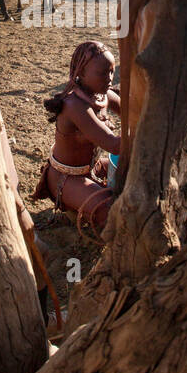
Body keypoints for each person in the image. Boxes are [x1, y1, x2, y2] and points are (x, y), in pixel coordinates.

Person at [33, 40, 121, 239]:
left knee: (134, 174)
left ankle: (93, 193)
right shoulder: (75, 106)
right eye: (102, 73)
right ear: (80, 73)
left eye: (112, 71)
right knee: (111, 209)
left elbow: (131, 111)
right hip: (67, 178)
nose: (109, 78)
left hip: (93, 167)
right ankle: (79, 205)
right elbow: (113, 145)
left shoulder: (102, 94)